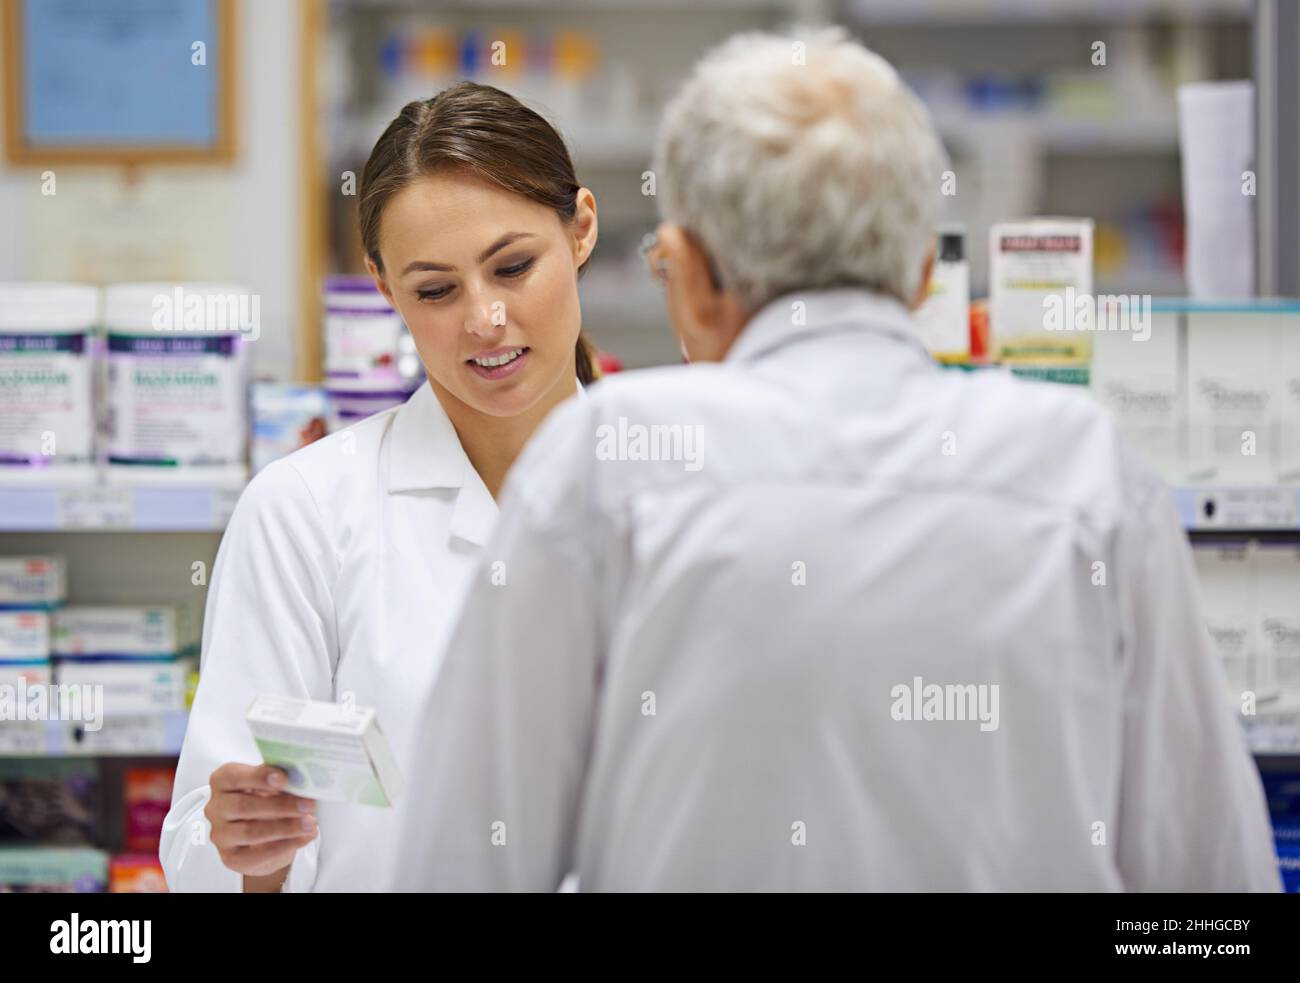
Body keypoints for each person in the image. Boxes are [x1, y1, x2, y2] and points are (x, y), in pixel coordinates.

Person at [389, 28, 1281, 891]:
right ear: (927, 269)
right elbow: (1208, 882)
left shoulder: (609, 460)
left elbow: (466, 863)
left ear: (691, 273)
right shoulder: (1080, 469)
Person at [160, 81, 599, 891]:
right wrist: (251, 850)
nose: (485, 318)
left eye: (513, 266)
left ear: (581, 228)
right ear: (384, 286)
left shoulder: (679, 491)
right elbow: (205, 848)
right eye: (436, 288)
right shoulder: (304, 512)